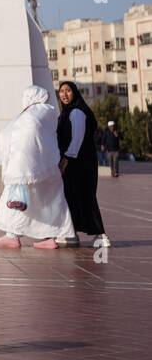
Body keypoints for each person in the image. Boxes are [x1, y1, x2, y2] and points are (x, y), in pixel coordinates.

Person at [0, 85, 75, 250]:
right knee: (50, 201)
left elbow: (19, 138)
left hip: (26, 168)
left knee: (16, 200)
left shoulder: (30, 115)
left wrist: (15, 167)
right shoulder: (49, 111)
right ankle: (51, 237)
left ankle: (12, 236)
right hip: (49, 165)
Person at [56, 80, 110, 248]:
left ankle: (101, 235)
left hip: (80, 163)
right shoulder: (67, 112)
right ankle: (71, 233)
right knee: (73, 197)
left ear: (75, 93)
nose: (64, 94)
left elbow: (77, 139)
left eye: (68, 91)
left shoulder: (77, 112)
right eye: (62, 91)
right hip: (76, 162)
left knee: (85, 197)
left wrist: (65, 160)